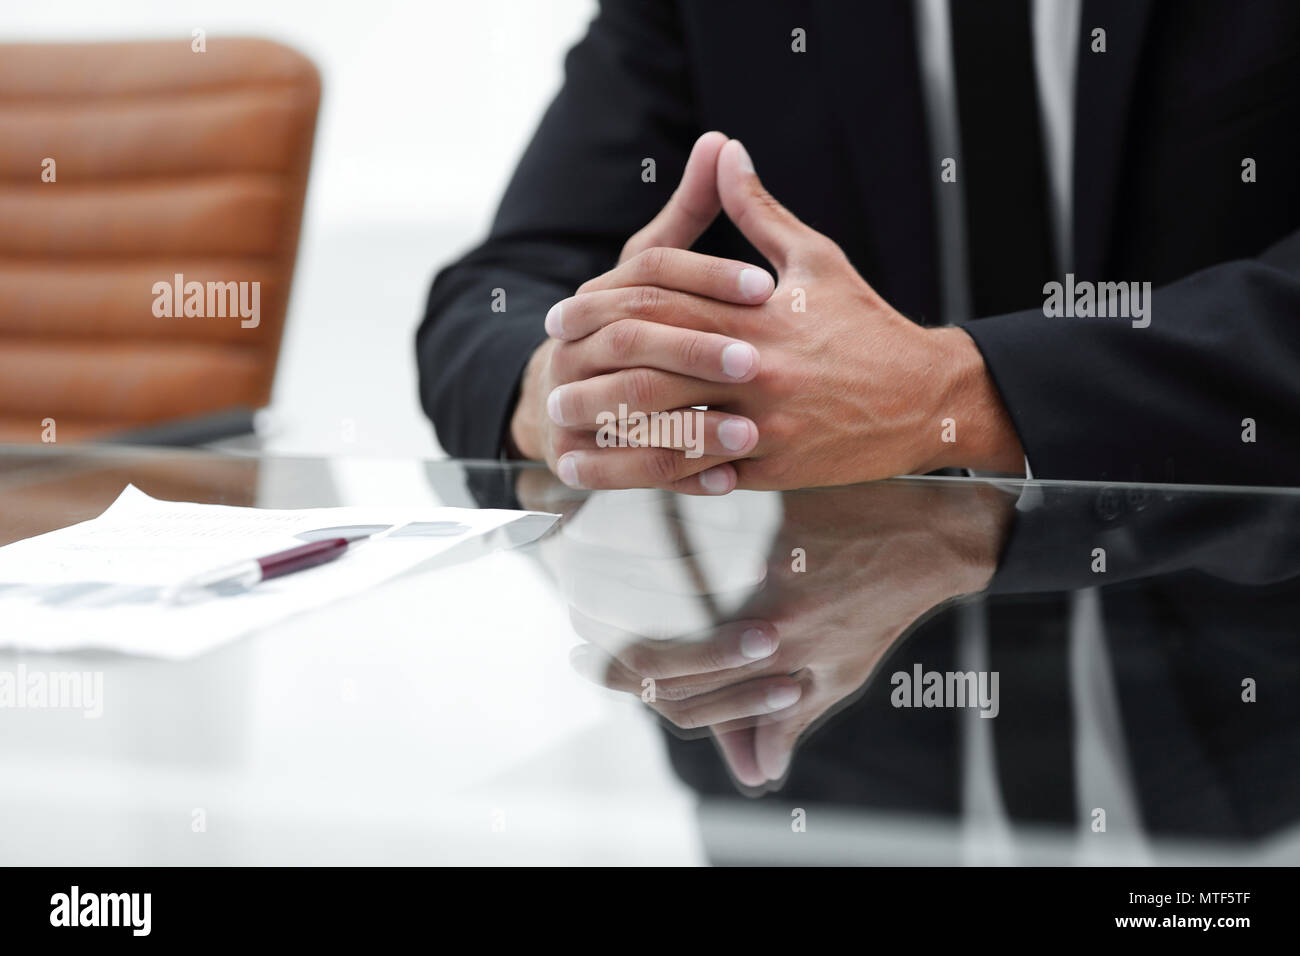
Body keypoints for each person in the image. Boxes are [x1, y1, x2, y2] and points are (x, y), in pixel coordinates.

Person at [417, 0, 1300, 492]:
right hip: (812, 685)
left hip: (1242, 635)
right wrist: (577, 386)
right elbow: (499, 292)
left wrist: (959, 394)